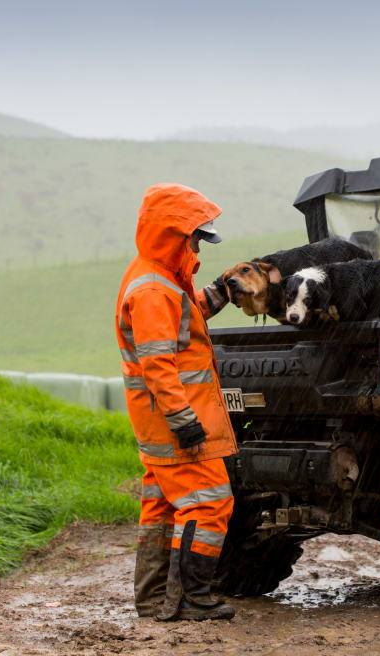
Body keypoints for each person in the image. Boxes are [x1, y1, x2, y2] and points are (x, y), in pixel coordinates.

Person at [115, 183, 236, 621]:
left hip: (158, 421)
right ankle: (191, 599)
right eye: (196, 237)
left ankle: (153, 600)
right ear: (174, 235)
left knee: (163, 505)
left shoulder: (158, 277)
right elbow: (158, 364)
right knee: (211, 502)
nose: (198, 246)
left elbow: (180, 320)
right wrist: (185, 421)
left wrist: (217, 294)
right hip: (174, 421)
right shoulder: (152, 290)